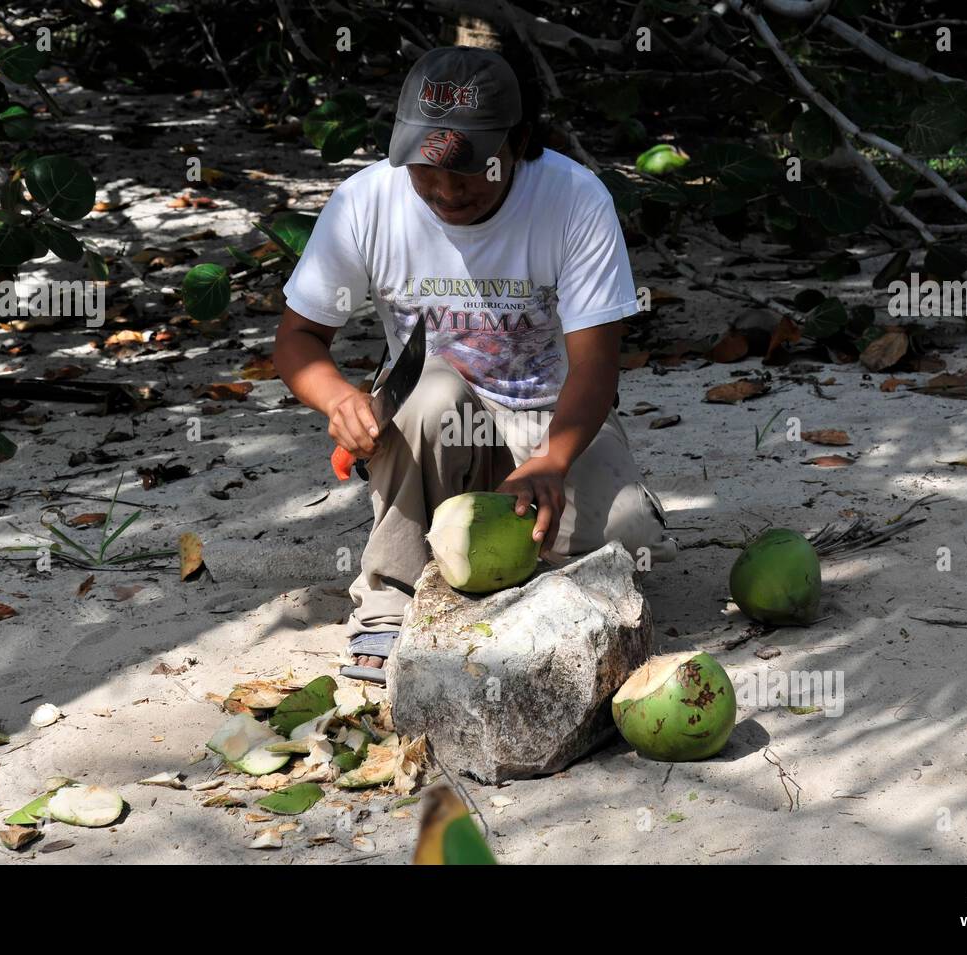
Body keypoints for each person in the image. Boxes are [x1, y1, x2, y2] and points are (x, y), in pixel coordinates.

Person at [272, 44, 675, 684]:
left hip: (551, 415)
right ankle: (392, 594)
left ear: (518, 143)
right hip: (434, 422)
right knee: (432, 391)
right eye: (424, 169)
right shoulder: (366, 201)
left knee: (629, 535)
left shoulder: (574, 200)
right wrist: (338, 399)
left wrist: (554, 459)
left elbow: (595, 368)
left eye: (466, 169)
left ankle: (486, 546)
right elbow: (297, 338)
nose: (444, 190)